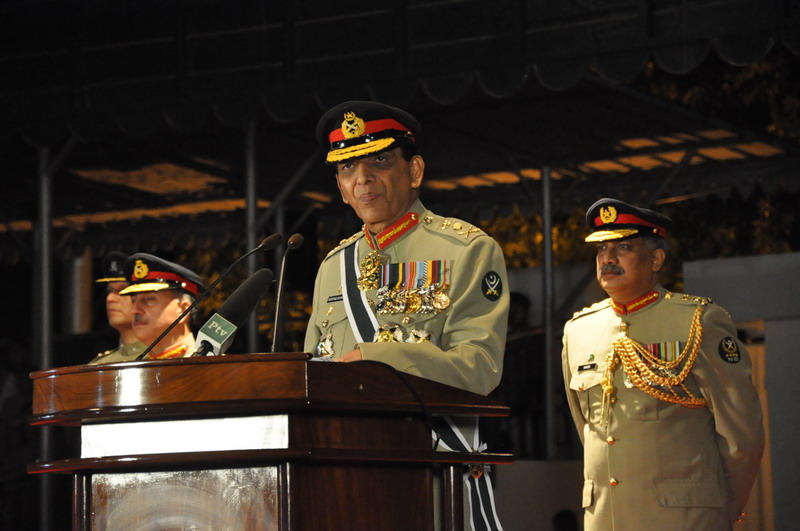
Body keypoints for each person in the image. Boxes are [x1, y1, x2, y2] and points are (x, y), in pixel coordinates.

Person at [304, 101, 510, 530]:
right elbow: (312, 373)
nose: (363, 179)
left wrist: (378, 361)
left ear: (414, 171)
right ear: (340, 187)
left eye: (379, 161)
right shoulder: (332, 267)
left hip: (429, 475)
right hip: (339, 479)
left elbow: (480, 368)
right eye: (348, 168)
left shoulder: (466, 249)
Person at [561, 198, 764, 531]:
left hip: (684, 518)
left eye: (623, 247)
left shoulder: (699, 321)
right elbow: (587, 427)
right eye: (601, 249)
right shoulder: (578, 330)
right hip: (607, 516)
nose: (607, 259)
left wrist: (722, 508)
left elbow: (741, 435)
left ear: (656, 259)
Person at [118, 253, 204, 359]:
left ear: (183, 309)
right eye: (133, 301)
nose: (135, 310)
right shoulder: (132, 366)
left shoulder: (210, 366)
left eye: (149, 299)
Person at [89, 252, 147, 364]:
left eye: (122, 290)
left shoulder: (163, 358)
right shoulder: (100, 364)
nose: (110, 298)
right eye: (110, 291)